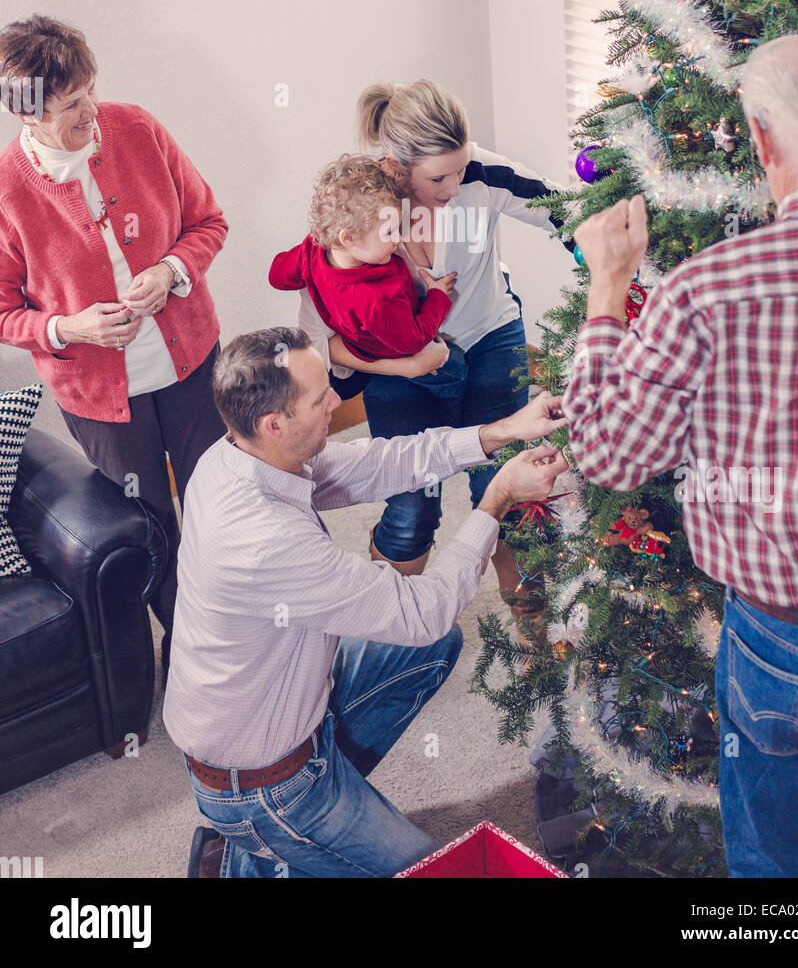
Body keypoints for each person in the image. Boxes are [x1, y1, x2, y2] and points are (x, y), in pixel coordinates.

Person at [561, 32, 798, 879]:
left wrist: (607, 289)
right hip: (785, 629)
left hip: (782, 639)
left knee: (774, 865)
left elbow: (610, 455)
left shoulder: (707, 288)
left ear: (763, 141)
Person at [163, 326, 567, 878]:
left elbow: (376, 465)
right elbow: (423, 610)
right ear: (274, 424)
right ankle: (253, 845)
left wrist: (499, 432)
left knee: (430, 649)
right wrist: (495, 500)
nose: (337, 399)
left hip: (288, 716)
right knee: (439, 872)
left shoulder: (236, 452)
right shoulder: (262, 540)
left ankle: (270, 852)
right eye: (319, 397)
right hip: (268, 784)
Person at [299, 79, 574, 654]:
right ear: (397, 168)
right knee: (411, 506)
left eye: (461, 169)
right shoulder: (357, 208)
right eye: (438, 178)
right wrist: (403, 367)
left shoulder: (482, 175)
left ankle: (535, 640)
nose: (456, 186)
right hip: (402, 367)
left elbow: (567, 211)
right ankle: (388, 642)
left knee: (505, 488)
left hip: (491, 338)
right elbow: (319, 339)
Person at [0, 15, 228, 673]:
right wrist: (68, 328)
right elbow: (5, 309)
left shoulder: (137, 129)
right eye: (71, 105)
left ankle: (260, 634)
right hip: (99, 395)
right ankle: (200, 661)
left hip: (190, 362)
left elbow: (209, 221)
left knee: (223, 501)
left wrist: (171, 271)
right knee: (150, 531)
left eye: (90, 91)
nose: (90, 111)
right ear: (29, 115)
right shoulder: (9, 190)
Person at [268, 152, 466, 402]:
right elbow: (414, 341)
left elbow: (277, 276)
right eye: (389, 232)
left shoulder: (313, 250)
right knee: (454, 366)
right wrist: (437, 297)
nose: (399, 239)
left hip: (358, 347)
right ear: (348, 237)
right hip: (393, 352)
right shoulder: (374, 297)